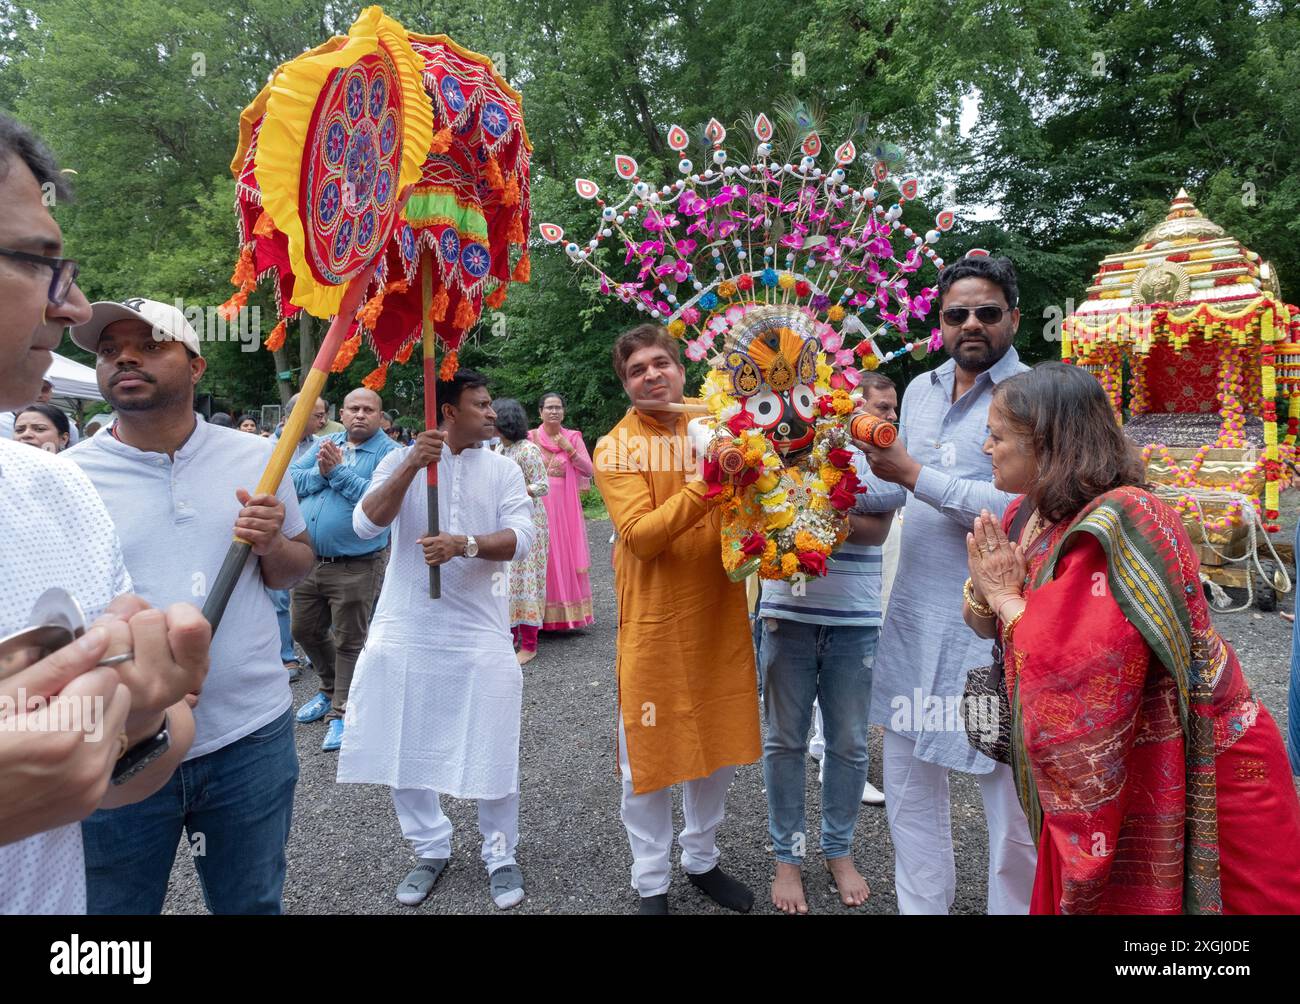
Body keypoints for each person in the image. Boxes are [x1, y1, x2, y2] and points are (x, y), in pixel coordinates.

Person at [966, 362, 1300, 914]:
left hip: (1204, 767)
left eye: (998, 436)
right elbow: (989, 621)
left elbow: (1070, 664)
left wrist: (1003, 596)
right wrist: (990, 595)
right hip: (1110, 775)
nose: (986, 448)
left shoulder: (1127, 517)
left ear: (1046, 441)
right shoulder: (1027, 512)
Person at [0, 112, 208, 914]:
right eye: (38, 262)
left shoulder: (52, 491)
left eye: (147, 344)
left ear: (195, 361)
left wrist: (146, 711)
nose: (71, 306)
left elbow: (136, 758)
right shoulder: (82, 465)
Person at [66, 296, 314, 915]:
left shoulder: (260, 460)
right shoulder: (67, 479)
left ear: (196, 366)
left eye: (150, 345)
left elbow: (295, 569)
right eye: (109, 349)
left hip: (248, 738)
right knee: (112, 920)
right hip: (120, 743)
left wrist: (272, 542)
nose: (124, 356)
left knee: (252, 903)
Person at [852, 253, 1036, 915]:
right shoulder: (923, 389)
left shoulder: (1033, 397)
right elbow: (886, 490)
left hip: (990, 636)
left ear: (1014, 317)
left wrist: (912, 475)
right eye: (957, 314)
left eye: (988, 312)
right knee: (907, 795)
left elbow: (1019, 502)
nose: (972, 324)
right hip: (914, 627)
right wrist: (811, 479)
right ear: (940, 322)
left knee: (1010, 809)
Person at [338, 369, 535, 910]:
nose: (493, 413)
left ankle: (500, 852)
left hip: (479, 629)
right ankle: (429, 846)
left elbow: (522, 539)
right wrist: (409, 463)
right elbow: (365, 525)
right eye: (482, 403)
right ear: (448, 411)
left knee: (493, 737)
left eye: (492, 403)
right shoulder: (401, 458)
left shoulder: (503, 469)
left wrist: (463, 544)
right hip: (406, 624)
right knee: (402, 736)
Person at [593, 323, 762, 915]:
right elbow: (640, 537)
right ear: (626, 385)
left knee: (713, 745)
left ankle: (702, 858)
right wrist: (706, 479)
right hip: (654, 621)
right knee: (648, 754)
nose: (652, 376)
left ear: (681, 368)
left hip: (717, 613)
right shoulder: (616, 446)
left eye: (660, 363)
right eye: (637, 370)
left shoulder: (714, 423)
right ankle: (650, 882)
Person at [758, 375, 900, 914]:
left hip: (855, 619)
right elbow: (762, 500)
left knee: (849, 744)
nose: (883, 416)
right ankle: (787, 857)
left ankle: (838, 850)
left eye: (891, 410)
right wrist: (830, 502)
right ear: (840, 404)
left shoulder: (882, 455)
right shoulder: (789, 434)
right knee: (783, 742)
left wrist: (810, 510)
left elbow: (879, 523)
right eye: (873, 405)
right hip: (785, 613)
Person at [288, 387, 398, 751]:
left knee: (349, 640)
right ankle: (329, 688)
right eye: (353, 408)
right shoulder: (326, 442)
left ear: (381, 416)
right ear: (343, 411)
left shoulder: (390, 454)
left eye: (369, 409)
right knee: (304, 630)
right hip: (309, 560)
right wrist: (324, 473)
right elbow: (291, 479)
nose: (360, 415)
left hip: (356, 564)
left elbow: (376, 501)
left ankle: (342, 713)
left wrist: (336, 473)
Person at [268, 392, 328, 679]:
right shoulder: (266, 448)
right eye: (317, 415)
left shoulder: (322, 446)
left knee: (316, 597)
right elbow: (286, 485)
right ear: (298, 414)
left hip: (313, 535)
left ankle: (318, 651)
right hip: (278, 537)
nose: (324, 420)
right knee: (280, 598)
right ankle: (286, 656)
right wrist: (320, 476)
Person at [493, 398, 550, 666]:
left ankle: (530, 644)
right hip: (505, 522)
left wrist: (517, 491)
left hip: (529, 522)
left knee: (526, 580)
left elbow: (543, 486)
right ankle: (512, 637)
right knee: (508, 580)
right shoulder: (499, 450)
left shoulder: (528, 450)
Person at [530, 392, 595, 631]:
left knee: (563, 553)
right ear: (540, 411)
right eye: (549, 407)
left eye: (558, 407)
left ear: (563, 411)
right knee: (541, 554)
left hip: (564, 508)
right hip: (536, 505)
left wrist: (570, 450)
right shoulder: (531, 437)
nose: (554, 411)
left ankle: (566, 616)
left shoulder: (573, 437)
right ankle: (536, 615)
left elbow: (589, 470)